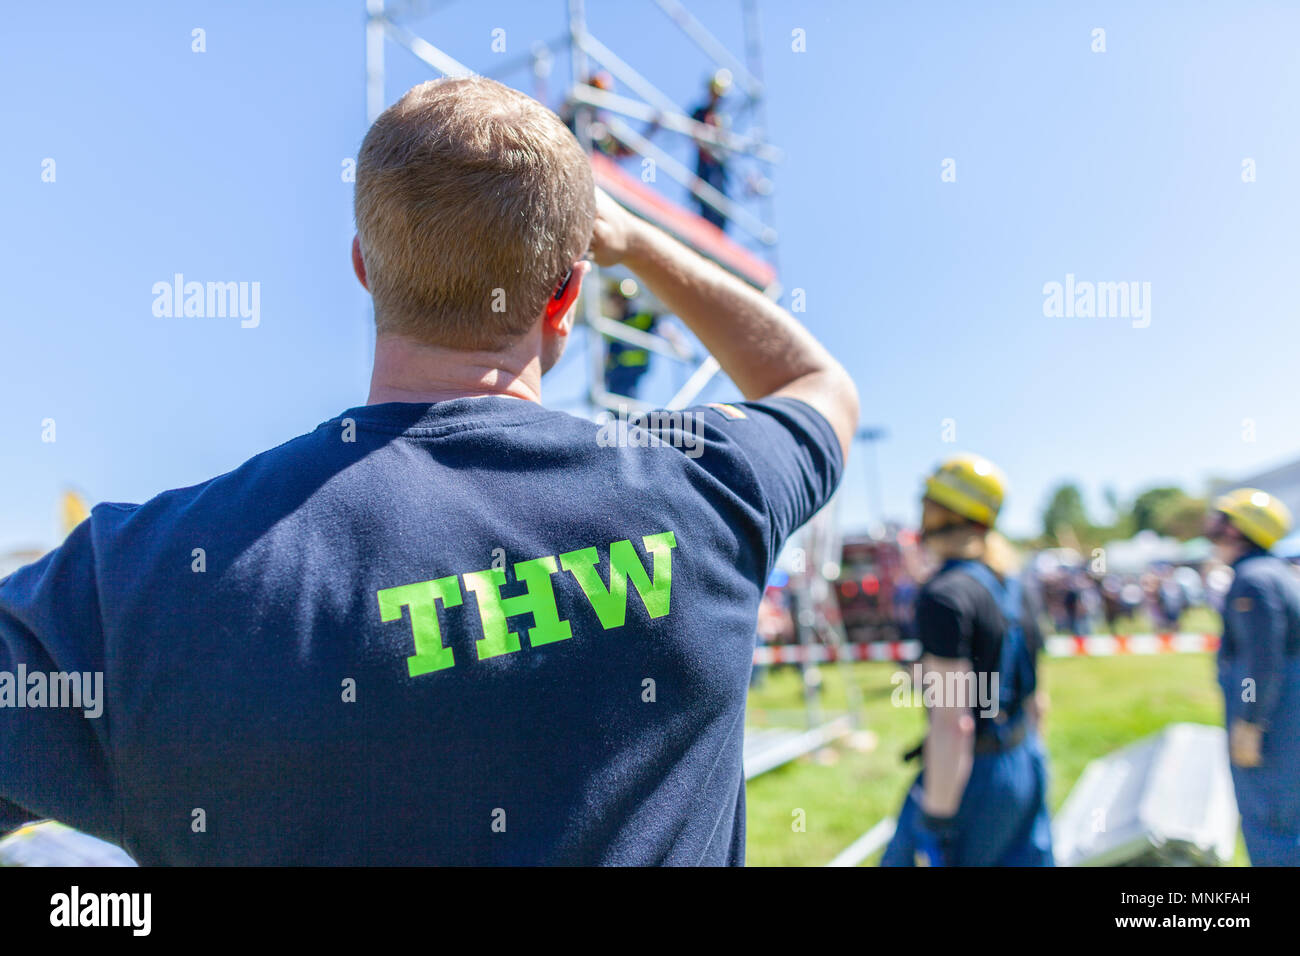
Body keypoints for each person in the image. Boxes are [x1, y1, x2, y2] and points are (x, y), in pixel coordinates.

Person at [0, 76, 858, 866]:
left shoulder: (139, 581)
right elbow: (817, 387)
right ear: (566, 295)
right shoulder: (702, 488)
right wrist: (640, 247)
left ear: (366, 269)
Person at [881, 455, 1053, 867]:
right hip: (1024, 759)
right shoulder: (1013, 584)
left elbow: (953, 721)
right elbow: (1034, 698)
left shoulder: (944, 594)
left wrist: (937, 819)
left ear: (946, 511)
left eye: (927, 501)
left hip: (972, 776)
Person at [1205, 488, 1300, 866]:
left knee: (1271, 824)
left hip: (1274, 723)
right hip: (1287, 715)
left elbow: (1261, 662)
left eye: (1219, 520)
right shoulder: (1277, 572)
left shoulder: (1252, 580)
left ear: (1235, 530)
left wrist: (1249, 723)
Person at [691, 70, 732, 230]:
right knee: (706, 206)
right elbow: (695, 136)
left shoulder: (723, 119)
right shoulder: (700, 113)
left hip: (719, 170)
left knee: (720, 208)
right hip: (705, 168)